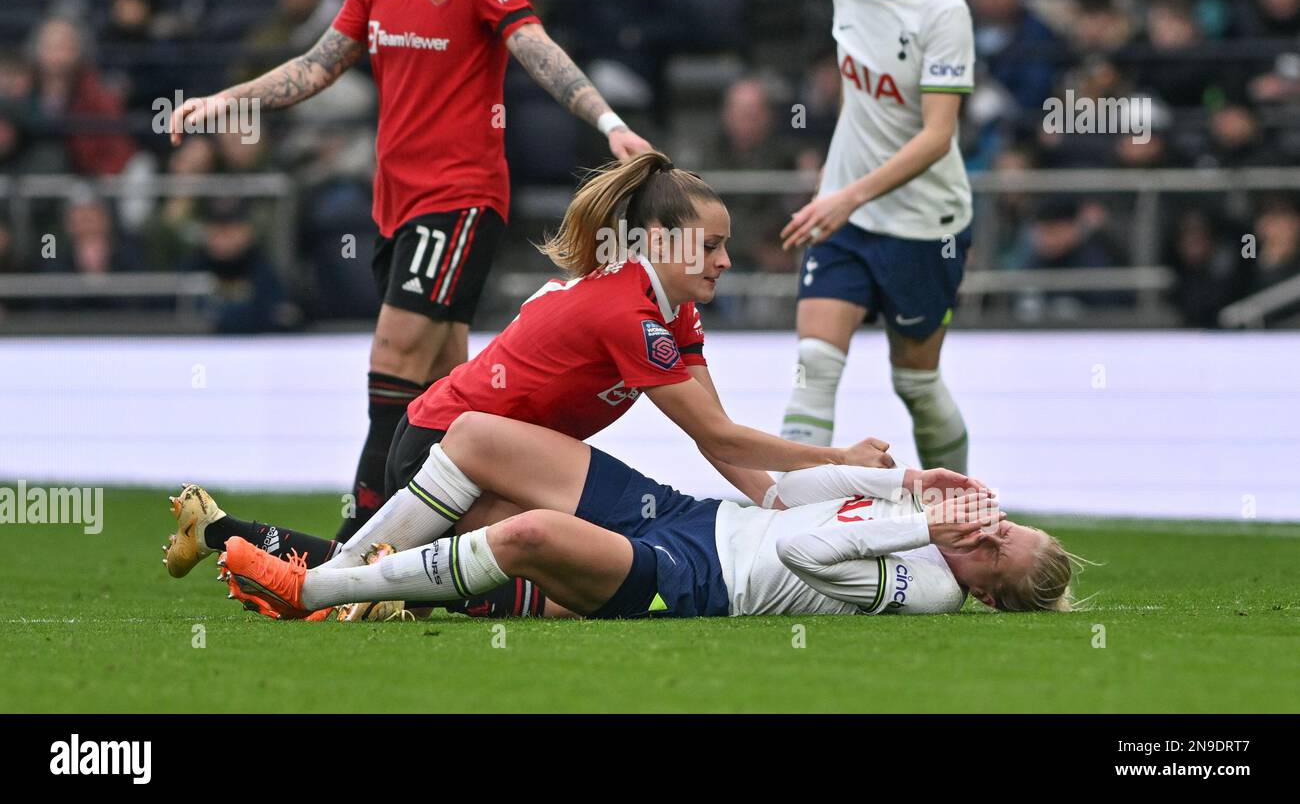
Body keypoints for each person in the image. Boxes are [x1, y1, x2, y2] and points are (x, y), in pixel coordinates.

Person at [169, 0, 653, 542]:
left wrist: (608, 120)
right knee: (440, 388)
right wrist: (228, 101)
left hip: (459, 201)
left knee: (391, 356)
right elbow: (318, 64)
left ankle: (356, 534)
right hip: (397, 209)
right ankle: (451, 533)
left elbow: (536, 48)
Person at [164, 152, 896, 585]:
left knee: (425, 576)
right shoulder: (627, 309)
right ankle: (262, 554)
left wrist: (774, 508)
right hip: (442, 447)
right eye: (710, 247)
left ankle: (228, 531)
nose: (725, 262)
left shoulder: (671, 310)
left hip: (486, 451)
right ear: (660, 243)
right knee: (518, 583)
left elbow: (717, 439)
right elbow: (722, 434)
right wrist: (837, 459)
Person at [218, 410, 1081, 621]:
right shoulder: (919, 524)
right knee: (477, 440)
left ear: (994, 594)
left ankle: (315, 590)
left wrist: (920, 527)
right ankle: (336, 573)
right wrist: (901, 488)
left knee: (517, 536)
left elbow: (816, 552)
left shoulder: (932, 591)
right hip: (688, 516)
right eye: (1008, 521)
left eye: (1001, 546)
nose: (991, 527)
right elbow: (780, 501)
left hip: (692, 580)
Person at [778, 0, 976, 474]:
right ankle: (790, 522)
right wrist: (841, 192)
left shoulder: (943, 10)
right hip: (845, 214)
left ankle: (965, 510)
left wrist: (849, 196)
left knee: (915, 384)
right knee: (815, 364)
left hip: (925, 223)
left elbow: (938, 137)